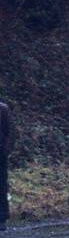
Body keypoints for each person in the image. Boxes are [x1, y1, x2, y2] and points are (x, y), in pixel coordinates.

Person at [0, 98, 16, 229]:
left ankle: (2, 219)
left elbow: (11, 132)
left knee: (1, 185)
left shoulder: (3, 109)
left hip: (0, 154)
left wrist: (5, 151)